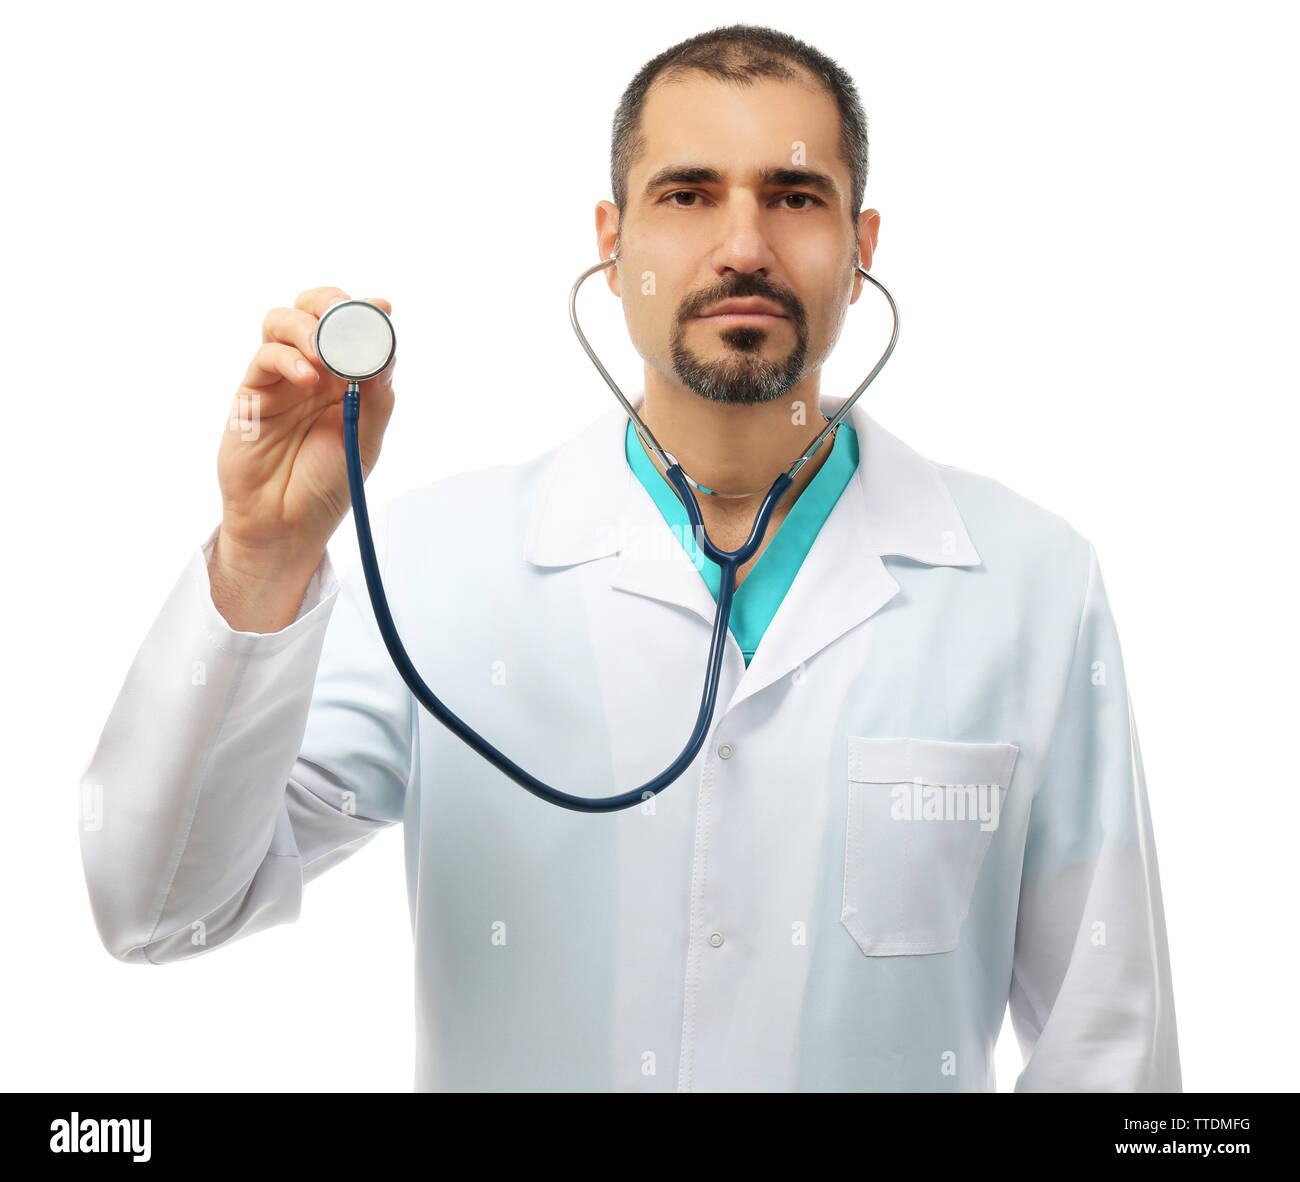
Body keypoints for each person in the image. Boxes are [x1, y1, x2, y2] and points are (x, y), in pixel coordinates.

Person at [78, 23, 1181, 1092]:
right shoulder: (431, 567)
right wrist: (263, 555)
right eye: (687, 193)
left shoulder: (1032, 585)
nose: (743, 246)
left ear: (862, 250)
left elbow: (1110, 1052)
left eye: (794, 197)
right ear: (611, 248)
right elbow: (160, 907)